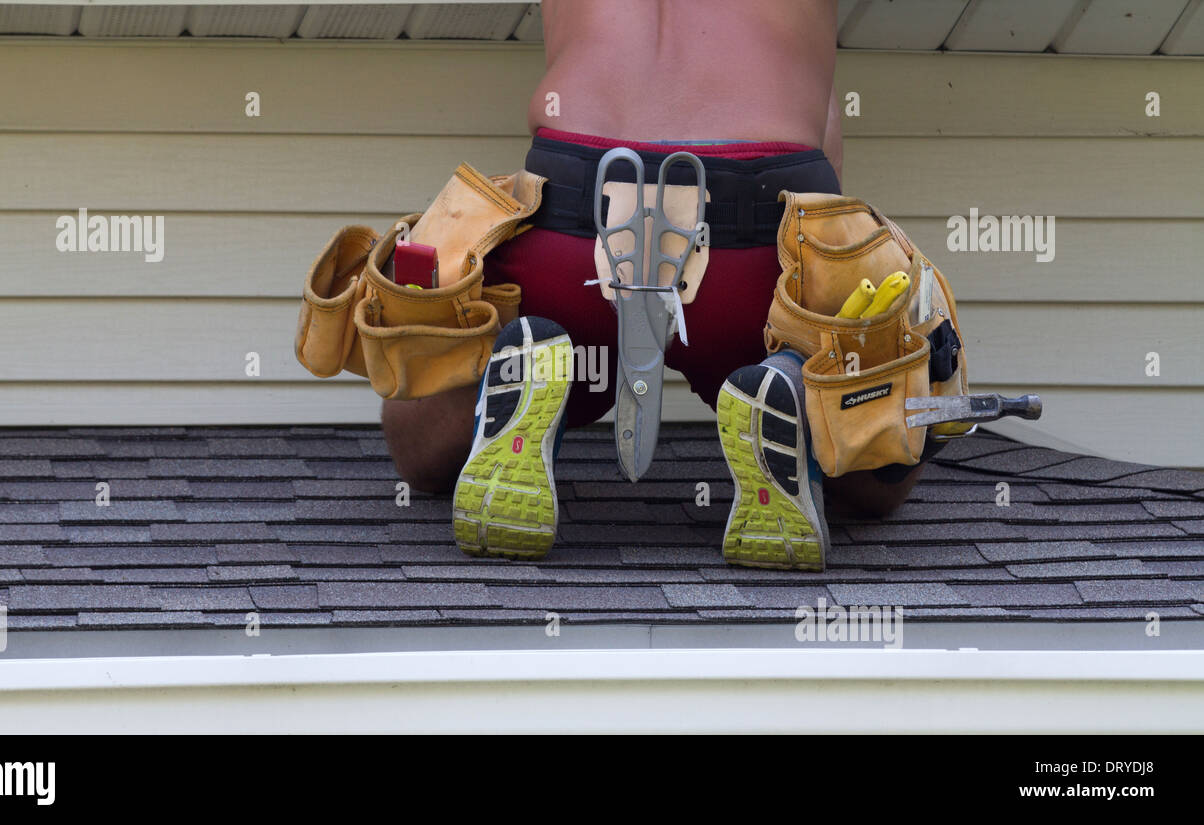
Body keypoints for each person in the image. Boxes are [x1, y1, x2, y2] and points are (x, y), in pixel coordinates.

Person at [380, 0, 931, 568]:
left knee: (418, 446)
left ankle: (521, 361)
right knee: (877, 474)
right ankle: (792, 385)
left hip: (573, 221)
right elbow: (827, 158)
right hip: (763, 230)